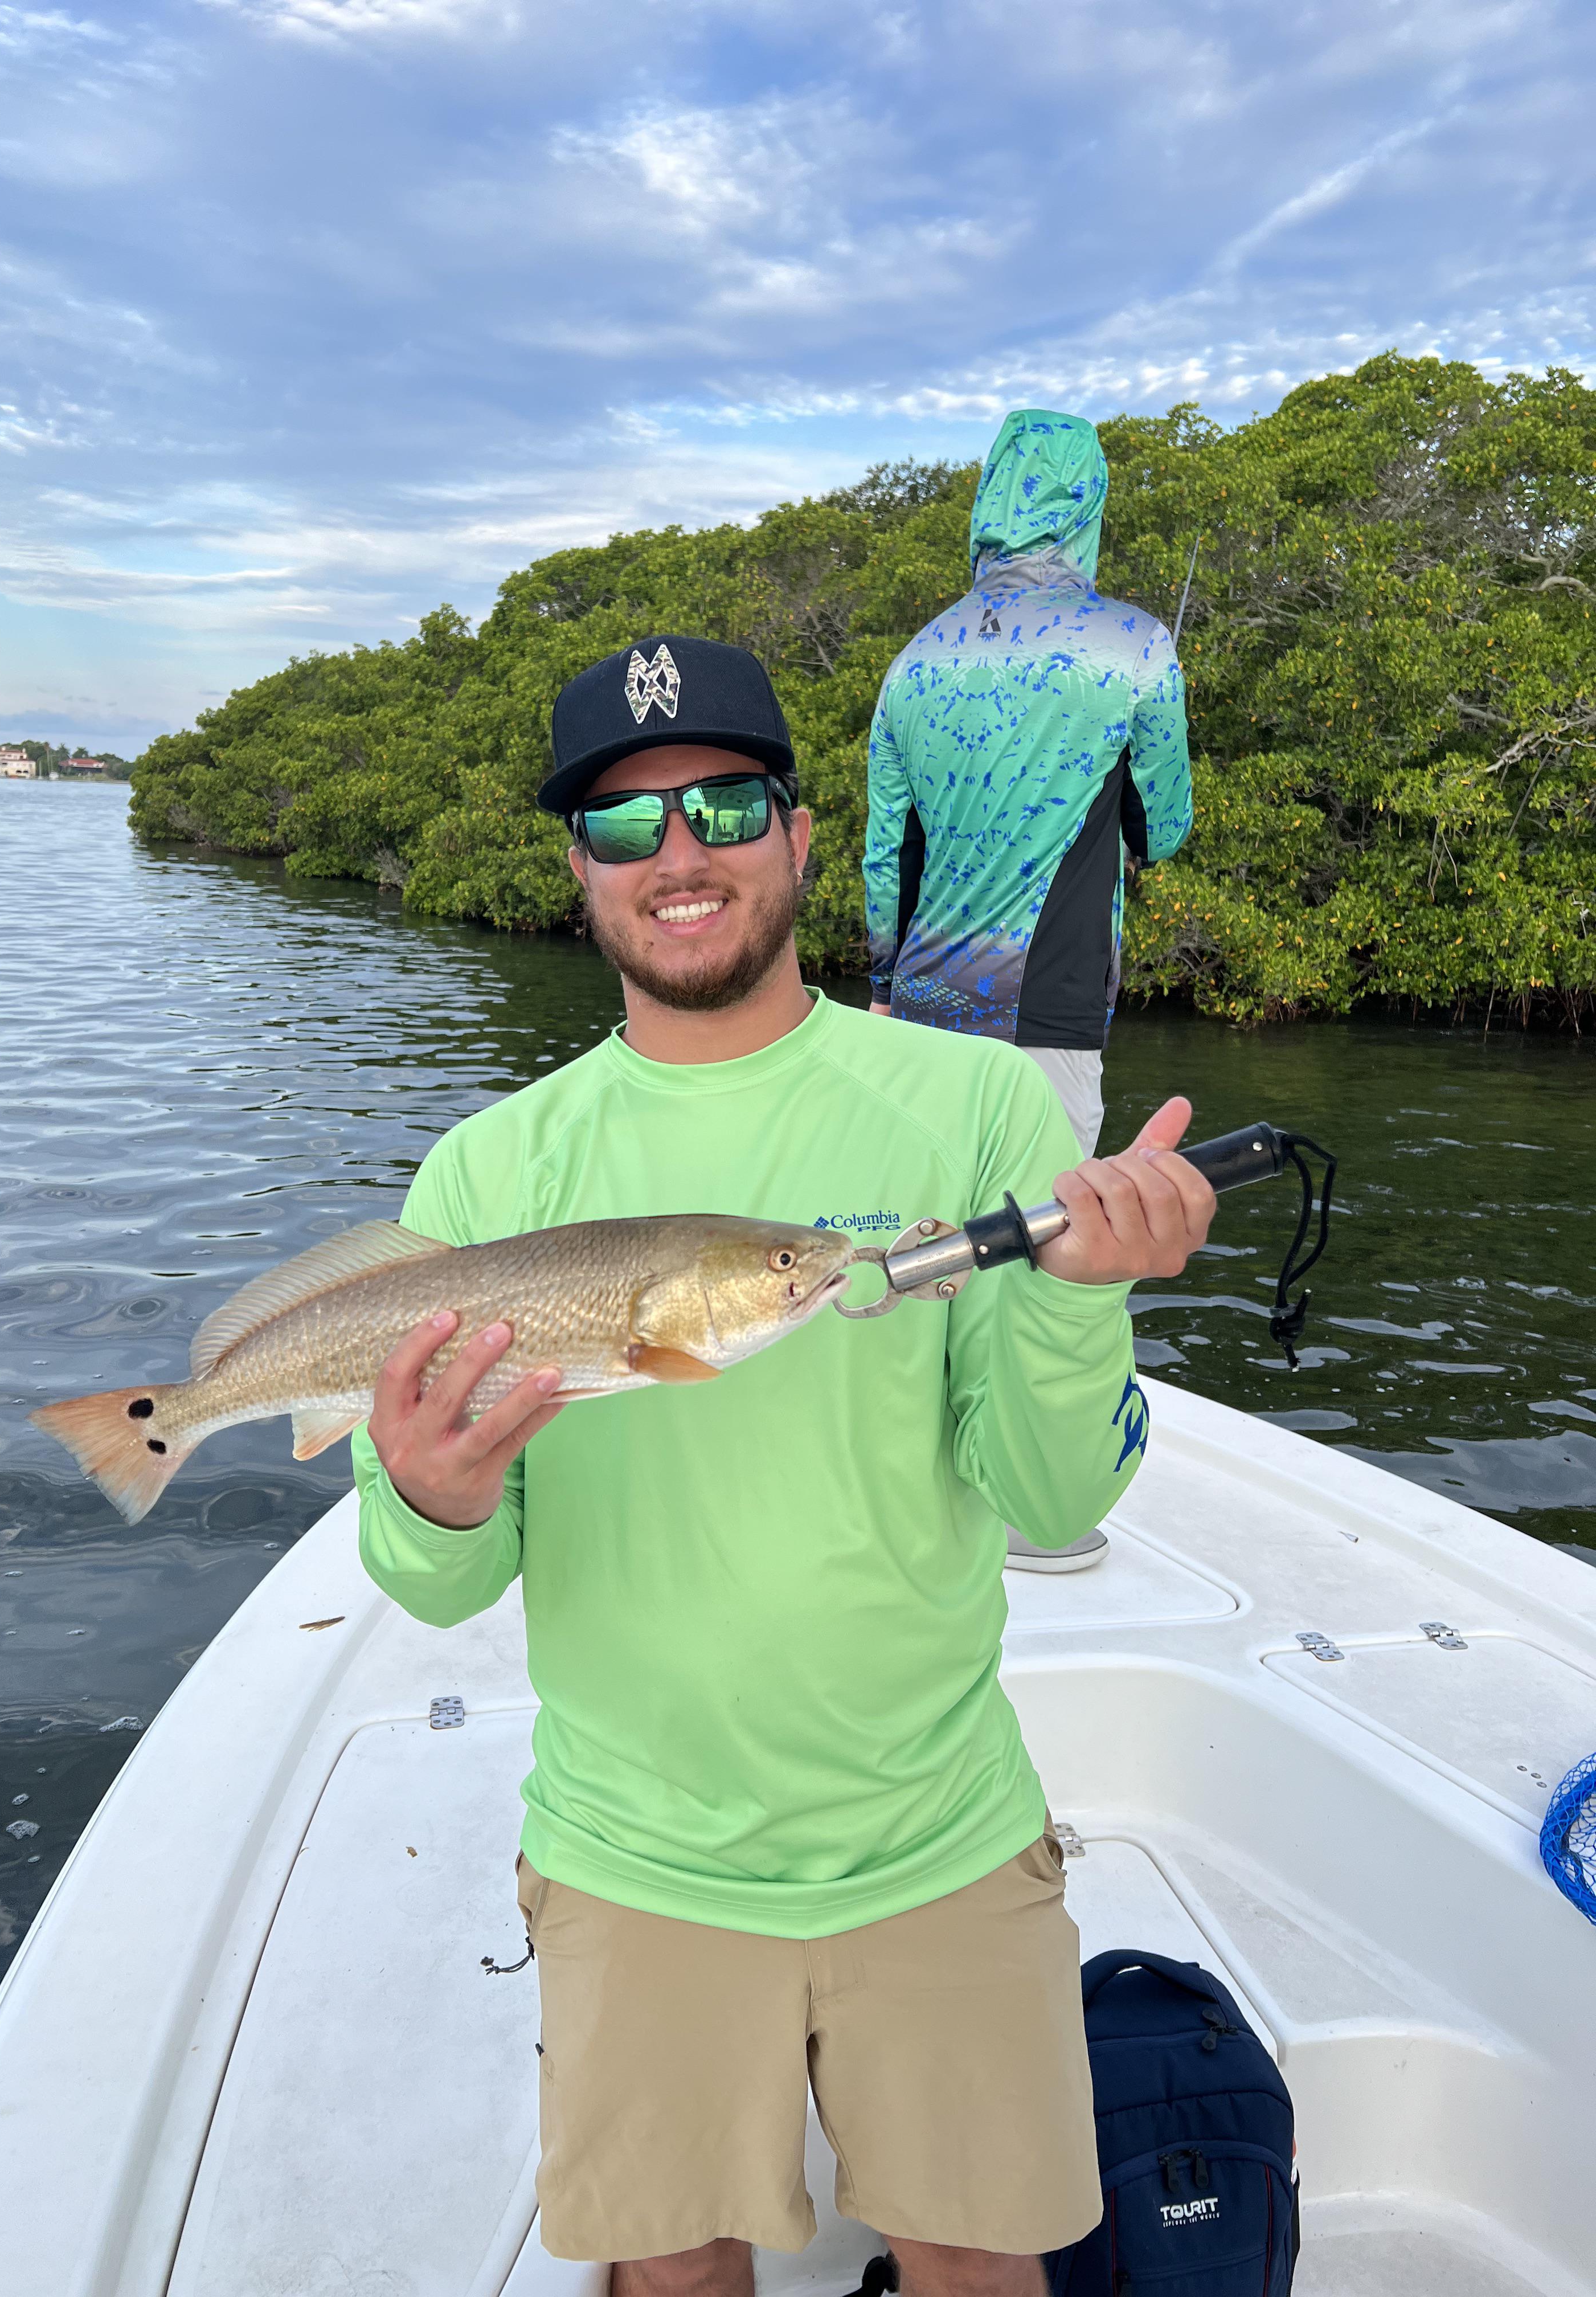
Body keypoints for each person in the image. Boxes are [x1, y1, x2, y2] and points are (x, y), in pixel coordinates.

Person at [353, 634, 1216, 2297]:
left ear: (805, 837)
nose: (680, 856)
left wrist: (1084, 1302)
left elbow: (1051, 1502)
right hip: (631, 1855)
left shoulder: (975, 1103)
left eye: (727, 804)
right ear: (581, 875)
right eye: (625, 827)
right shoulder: (491, 1164)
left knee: (982, 2261)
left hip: (943, 1836)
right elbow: (439, 1580)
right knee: (671, 2275)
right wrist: (433, 1493)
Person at [863, 409, 1194, 1160]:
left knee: (924, 1249)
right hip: (1050, 1015)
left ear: (987, 505)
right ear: (1090, 505)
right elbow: (1162, 832)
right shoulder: (1136, 643)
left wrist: (883, 991)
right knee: (1038, 1253)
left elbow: (888, 856)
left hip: (919, 1015)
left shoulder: (913, 660)